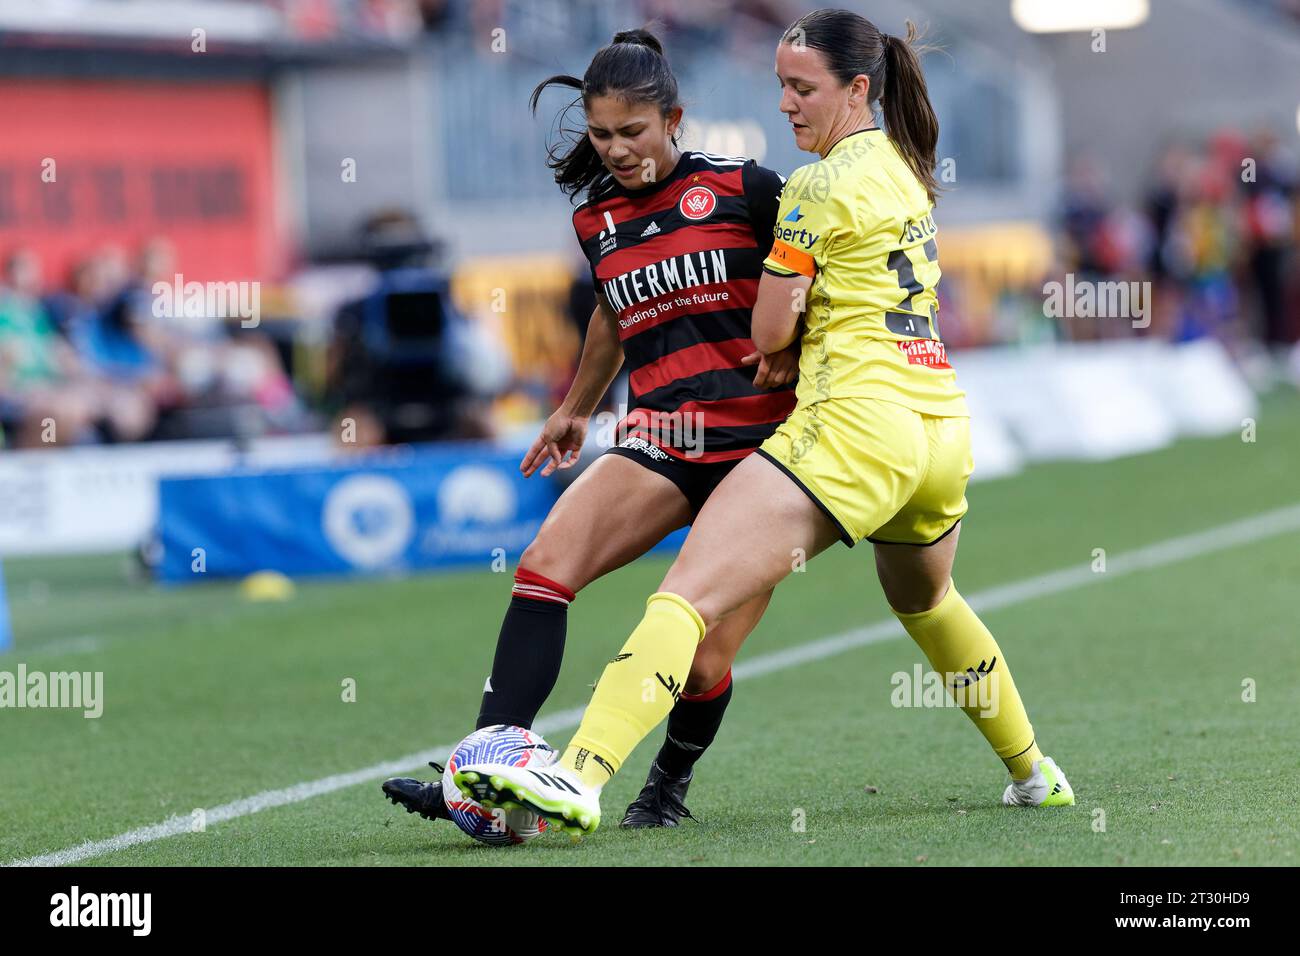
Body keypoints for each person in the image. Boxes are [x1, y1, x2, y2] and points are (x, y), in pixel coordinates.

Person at [455, 10, 1075, 836]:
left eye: (800, 87)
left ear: (857, 88)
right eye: (781, 84)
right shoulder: (904, 161)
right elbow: (629, 304)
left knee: (683, 603)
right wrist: (577, 406)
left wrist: (778, 345)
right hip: (936, 423)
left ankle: (576, 776)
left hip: (846, 426)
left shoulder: (798, 186)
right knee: (930, 604)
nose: (784, 103)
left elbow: (772, 327)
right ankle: (1035, 773)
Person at [383, 27, 800, 829]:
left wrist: (792, 349)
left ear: (676, 117)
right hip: (664, 436)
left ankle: (665, 791)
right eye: (601, 134)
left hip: (764, 455)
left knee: (705, 652)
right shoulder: (596, 218)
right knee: (544, 565)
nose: (615, 149)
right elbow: (613, 313)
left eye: (632, 132)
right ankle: (482, 781)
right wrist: (577, 407)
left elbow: (816, 279)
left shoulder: (749, 190)